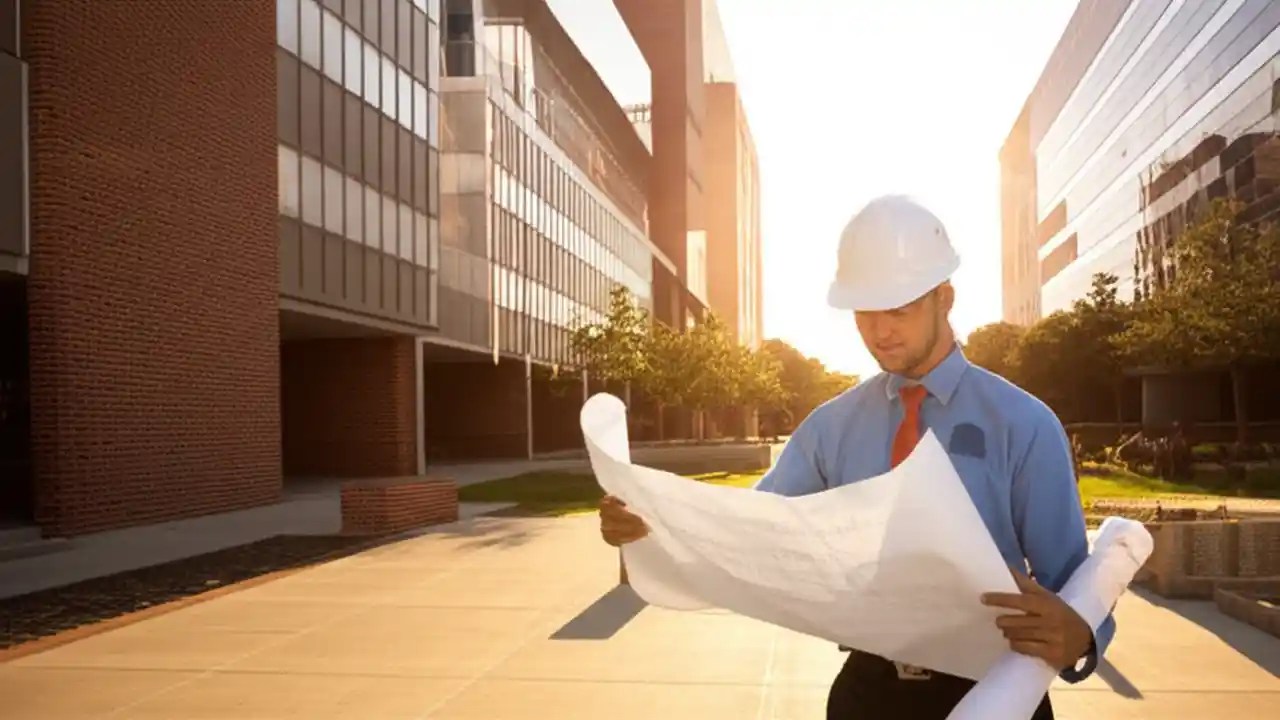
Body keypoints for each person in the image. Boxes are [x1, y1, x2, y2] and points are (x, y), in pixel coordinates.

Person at [598, 195, 1113, 719]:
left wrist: (1082, 636)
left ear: (945, 298)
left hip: (998, 693)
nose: (879, 330)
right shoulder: (833, 427)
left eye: (898, 309)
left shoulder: (1023, 425)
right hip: (868, 695)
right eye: (864, 312)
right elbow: (753, 531)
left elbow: (1074, 580)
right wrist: (655, 523)